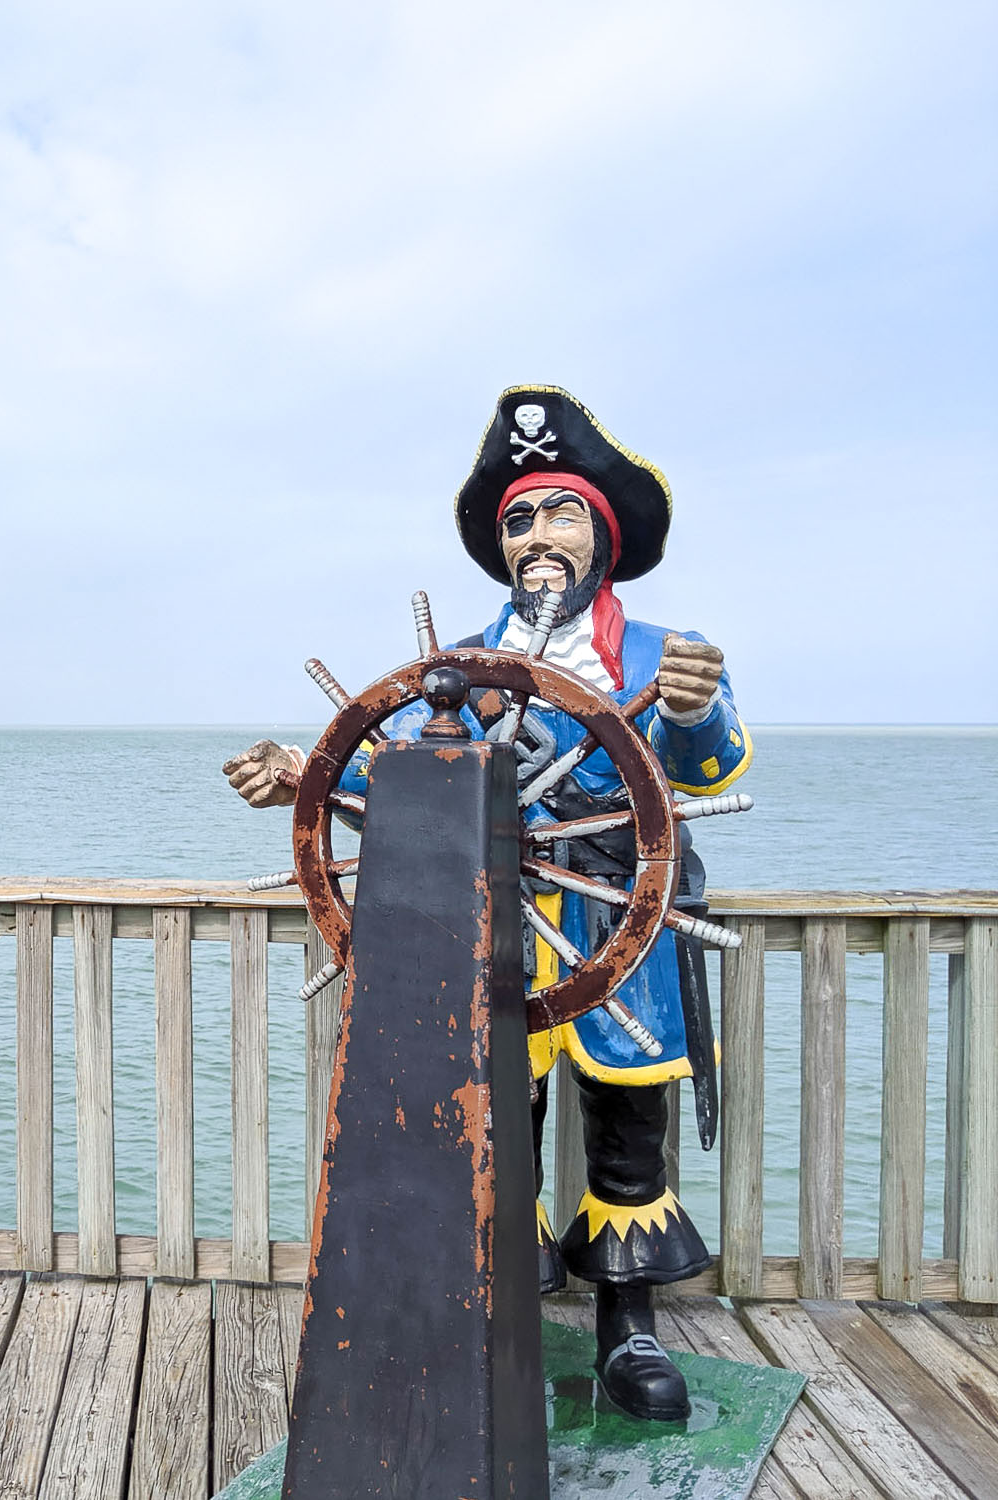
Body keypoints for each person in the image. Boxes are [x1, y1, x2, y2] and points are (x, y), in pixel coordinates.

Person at [223, 386, 749, 1422]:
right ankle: (494, 1310)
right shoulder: (457, 664)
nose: (535, 538)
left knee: (628, 1123)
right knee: (495, 1119)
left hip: (617, 919)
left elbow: (707, 765)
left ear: (601, 536)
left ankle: (625, 1326)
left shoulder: (659, 652)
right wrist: (305, 773)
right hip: (490, 924)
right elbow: (407, 770)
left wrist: (691, 707)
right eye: (517, 520)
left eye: (558, 515)